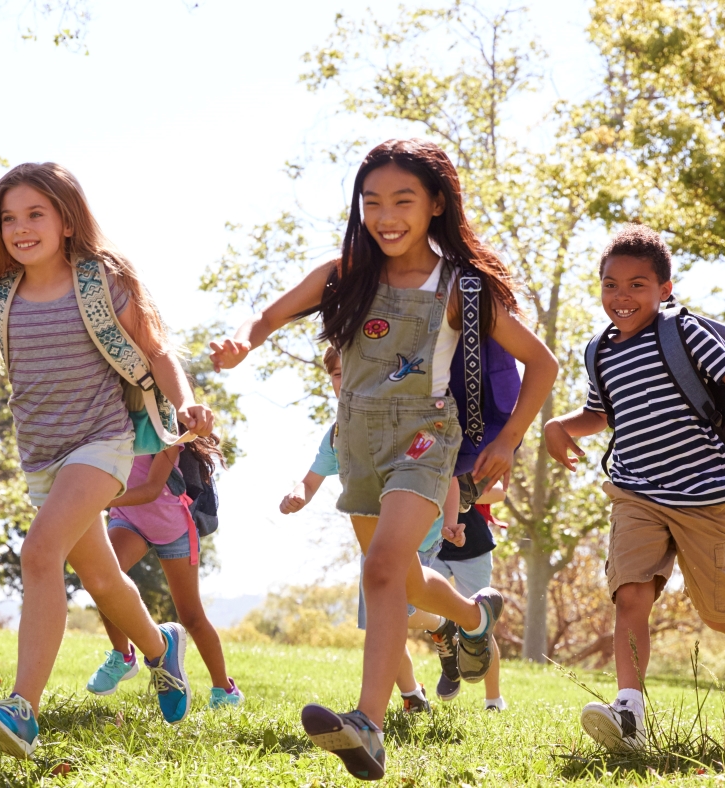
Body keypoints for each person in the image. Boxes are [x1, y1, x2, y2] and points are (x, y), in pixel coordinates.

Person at [216, 138, 558, 780]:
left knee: (379, 573)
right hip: (356, 440)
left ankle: (367, 726)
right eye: (372, 202)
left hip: (425, 435)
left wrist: (507, 441)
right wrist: (244, 340)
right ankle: (473, 614)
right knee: (400, 580)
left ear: (435, 204)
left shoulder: (461, 286)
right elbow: (272, 313)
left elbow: (543, 362)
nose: (386, 215)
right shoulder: (343, 274)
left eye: (403, 200)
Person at [0, 162, 214, 760]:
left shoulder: (101, 282)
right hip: (42, 458)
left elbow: (156, 351)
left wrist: (188, 403)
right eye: (9, 218)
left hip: (101, 445)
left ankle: (22, 709)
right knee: (100, 577)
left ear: (67, 219)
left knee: (39, 552)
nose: (21, 228)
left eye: (35, 214)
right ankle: (161, 646)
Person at [543, 224, 725, 752]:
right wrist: (561, 426)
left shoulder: (685, 333)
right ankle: (629, 714)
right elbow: (601, 413)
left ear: (665, 288)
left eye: (637, 285)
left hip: (703, 495)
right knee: (631, 594)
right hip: (634, 489)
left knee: (716, 611)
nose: (622, 297)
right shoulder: (598, 350)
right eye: (610, 284)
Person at [282, 346, 450, 716]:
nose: (345, 381)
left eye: (352, 370)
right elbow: (310, 480)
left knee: (391, 614)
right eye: (337, 375)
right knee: (380, 622)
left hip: (417, 532)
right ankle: (413, 694)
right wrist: (298, 495)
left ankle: (445, 624)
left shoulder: (401, 416)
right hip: (371, 538)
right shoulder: (338, 433)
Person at [85, 435, 244, 709]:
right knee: (105, 575)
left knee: (191, 616)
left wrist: (98, 500)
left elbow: (151, 489)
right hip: (129, 520)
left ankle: (225, 689)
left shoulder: (164, 431)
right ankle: (122, 656)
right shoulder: (111, 421)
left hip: (172, 527)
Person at [427, 501, 506, 709]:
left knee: (480, 622)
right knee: (418, 607)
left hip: (474, 549)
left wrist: (461, 490)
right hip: (432, 546)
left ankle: (493, 700)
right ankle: (450, 663)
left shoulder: (469, 467)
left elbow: (498, 492)